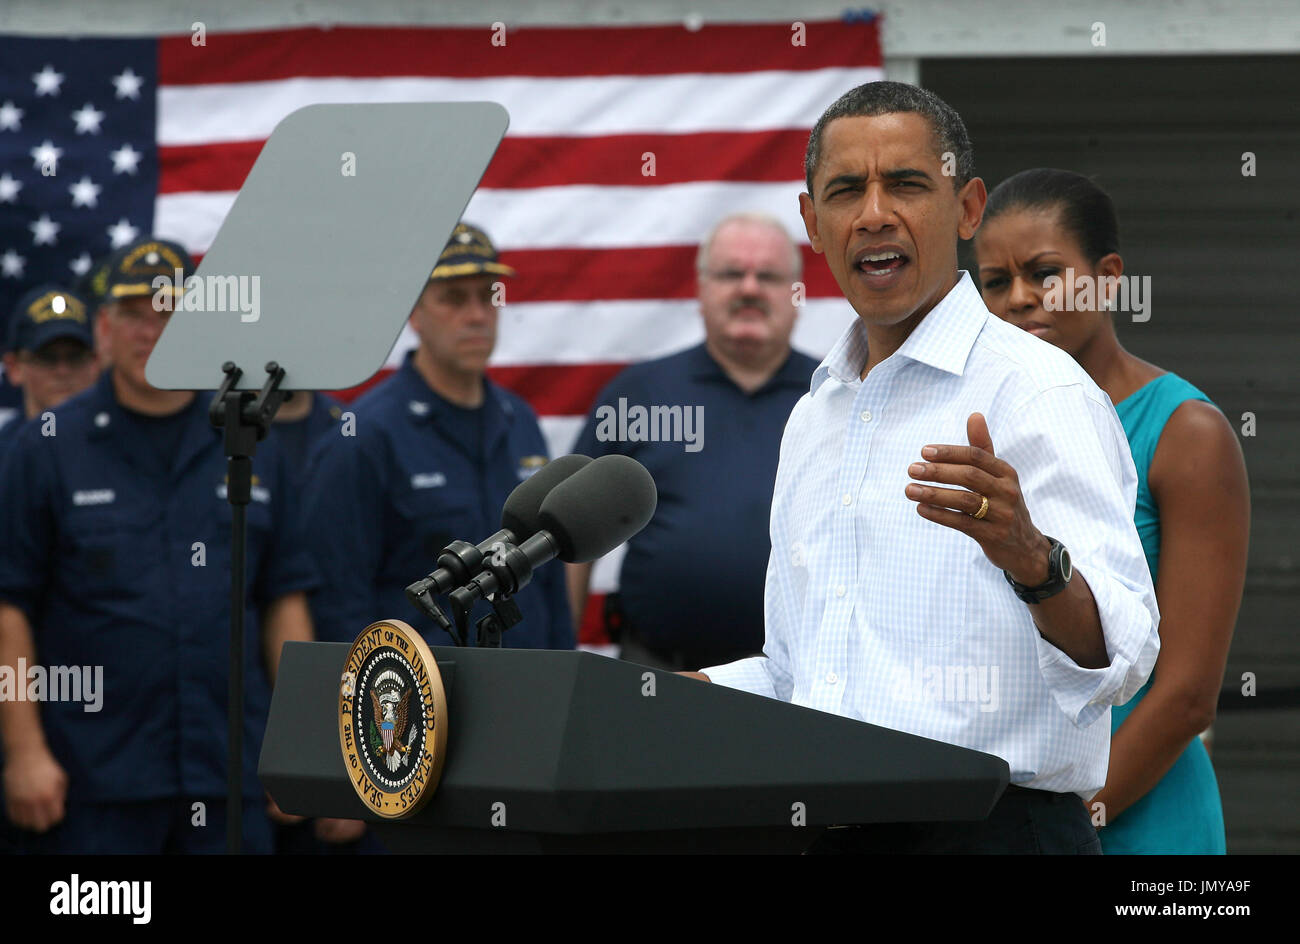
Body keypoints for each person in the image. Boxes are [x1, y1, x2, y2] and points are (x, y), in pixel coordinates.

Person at [686, 81, 1161, 855]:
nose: (874, 212)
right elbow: (803, 676)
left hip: (993, 834)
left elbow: (1123, 655)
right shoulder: (816, 415)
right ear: (812, 222)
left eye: (906, 184)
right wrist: (662, 702)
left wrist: (1033, 562)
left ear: (968, 208)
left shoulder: (1038, 392)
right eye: (846, 190)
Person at [0, 237, 319, 853]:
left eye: (170, 311)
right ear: (104, 328)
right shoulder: (46, 447)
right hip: (94, 782)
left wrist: (299, 746)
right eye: (134, 314)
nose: (153, 330)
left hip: (231, 775)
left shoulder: (248, 439)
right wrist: (24, 752)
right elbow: (8, 607)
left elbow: (284, 601)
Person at [971, 168, 1249, 854]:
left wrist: (1068, 826)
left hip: (1135, 817)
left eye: (1045, 272)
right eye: (996, 282)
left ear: (1108, 275)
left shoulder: (1184, 432)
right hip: (1008, 819)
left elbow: (1187, 695)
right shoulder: (983, 430)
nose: (1020, 299)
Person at [567, 213, 819, 670]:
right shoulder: (639, 396)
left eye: (768, 276)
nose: (749, 288)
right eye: (730, 274)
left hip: (802, 682)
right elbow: (568, 533)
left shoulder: (833, 394)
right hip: (659, 677)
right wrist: (558, 655)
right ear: (701, 291)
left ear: (797, 293)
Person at [304, 222, 573, 651]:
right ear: (413, 313)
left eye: (488, 296)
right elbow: (341, 602)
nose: (477, 315)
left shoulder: (519, 421)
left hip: (530, 688)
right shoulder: (364, 436)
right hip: (424, 702)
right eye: (453, 299)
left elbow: (550, 582)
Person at [0, 285, 100, 452]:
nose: (63, 371)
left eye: (75, 357)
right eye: (46, 358)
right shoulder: (5, 455)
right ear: (14, 367)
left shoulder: (127, 446)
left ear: (96, 364)